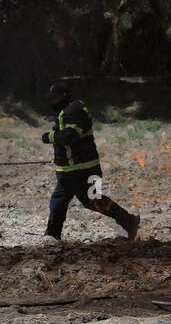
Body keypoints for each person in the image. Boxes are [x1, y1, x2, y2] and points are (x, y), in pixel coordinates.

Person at [41, 81, 140, 242]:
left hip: (84, 170)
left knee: (93, 200)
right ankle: (52, 236)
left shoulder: (74, 111)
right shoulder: (68, 110)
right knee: (59, 202)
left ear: (64, 96)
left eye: (55, 97)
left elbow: (69, 135)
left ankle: (130, 221)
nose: (52, 100)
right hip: (69, 171)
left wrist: (49, 137)